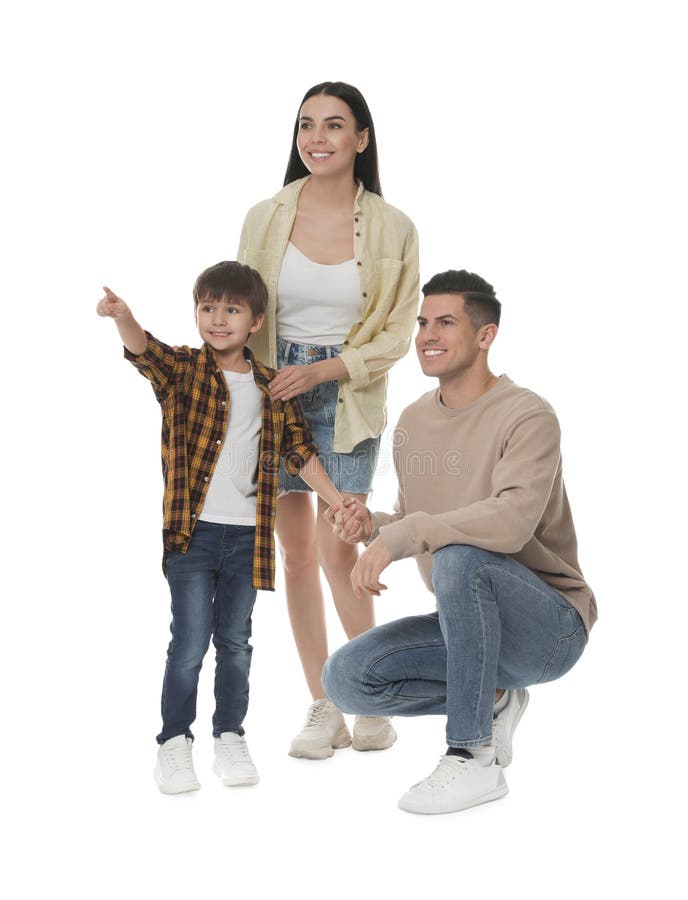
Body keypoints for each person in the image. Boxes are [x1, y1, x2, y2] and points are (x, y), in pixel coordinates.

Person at [323, 269, 597, 814]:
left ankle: (473, 756)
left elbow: (510, 523)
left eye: (445, 322)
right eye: (424, 322)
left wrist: (404, 533)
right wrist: (371, 524)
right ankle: (494, 696)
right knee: (347, 678)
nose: (428, 334)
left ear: (485, 335)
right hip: (469, 620)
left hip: (549, 627)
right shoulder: (412, 421)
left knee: (460, 557)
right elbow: (415, 515)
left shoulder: (527, 414)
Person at [97, 261, 342, 794]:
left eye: (231, 309)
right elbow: (146, 351)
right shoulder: (184, 371)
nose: (218, 318)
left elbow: (299, 451)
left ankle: (229, 735)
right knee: (189, 642)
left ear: (255, 321)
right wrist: (125, 316)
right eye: (208, 307)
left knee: (235, 642)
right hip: (193, 534)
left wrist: (337, 500)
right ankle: (174, 743)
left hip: (247, 537)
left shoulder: (274, 386)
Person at [237, 81, 419, 759]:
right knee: (297, 550)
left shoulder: (395, 228)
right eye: (306, 125)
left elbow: (396, 333)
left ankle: (368, 690)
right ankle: (323, 703)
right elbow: (243, 311)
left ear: (361, 139)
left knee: (342, 545)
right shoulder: (264, 216)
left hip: (346, 396)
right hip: (273, 393)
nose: (317, 138)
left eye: (334, 126)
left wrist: (324, 370)